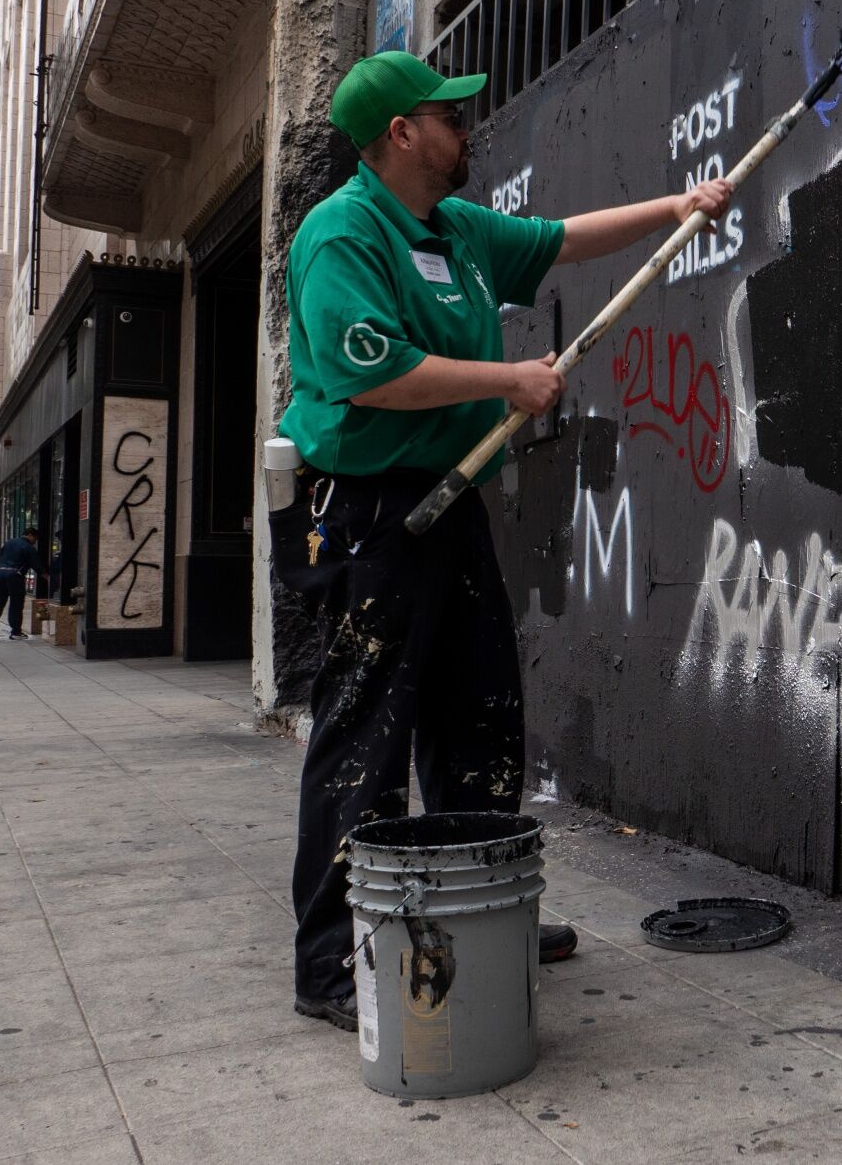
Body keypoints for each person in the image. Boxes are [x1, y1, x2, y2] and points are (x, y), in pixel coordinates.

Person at [272, 51, 733, 1031]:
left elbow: (559, 240)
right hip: (373, 514)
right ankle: (326, 957)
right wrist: (507, 381)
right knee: (365, 731)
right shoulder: (341, 233)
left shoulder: (456, 228)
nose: (461, 126)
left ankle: (485, 910)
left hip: (454, 504)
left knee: (478, 713)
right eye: (445, 114)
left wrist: (678, 207)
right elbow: (373, 373)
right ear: (402, 133)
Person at [0, 527, 44, 640]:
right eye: (35, 538)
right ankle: (16, 631)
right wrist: (46, 576)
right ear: (30, 535)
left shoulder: (8, 543)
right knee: (16, 604)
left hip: (1, 573)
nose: (35, 541)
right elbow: (37, 565)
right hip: (14, 575)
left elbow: (0, 557)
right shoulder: (28, 547)